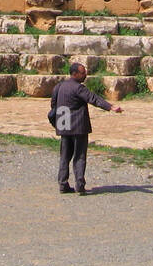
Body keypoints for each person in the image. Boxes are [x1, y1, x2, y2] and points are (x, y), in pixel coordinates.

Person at [49, 62, 123, 195]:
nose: (85, 75)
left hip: (64, 126)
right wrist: (110, 107)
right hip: (78, 127)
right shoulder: (79, 88)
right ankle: (80, 185)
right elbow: (93, 99)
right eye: (83, 73)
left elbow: (53, 105)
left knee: (64, 156)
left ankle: (62, 184)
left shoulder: (59, 87)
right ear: (75, 74)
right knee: (79, 156)